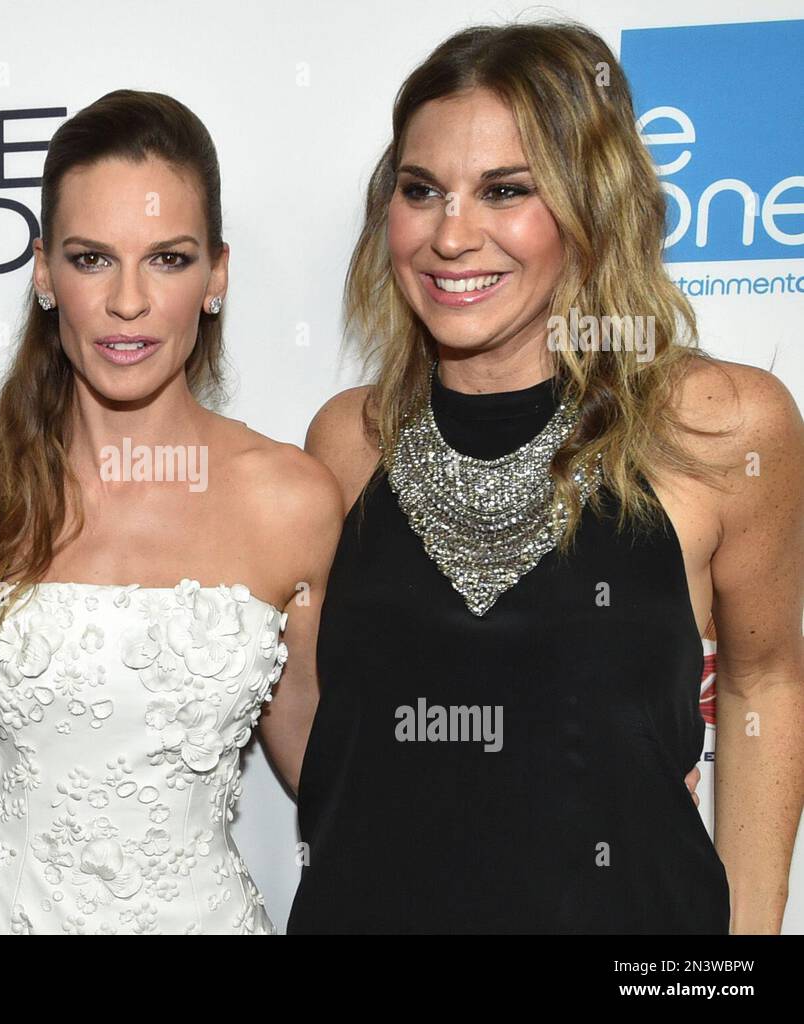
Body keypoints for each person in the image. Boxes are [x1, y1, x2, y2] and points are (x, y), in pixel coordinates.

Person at [290, 21, 803, 933]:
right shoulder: (346, 441)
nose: (452, 235)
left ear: (591, 206)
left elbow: (766, 682)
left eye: (506, 191)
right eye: (422, 190)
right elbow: (337, 733)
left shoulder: (721, 426)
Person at [0, 89, 344, 934]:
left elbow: (321, 758)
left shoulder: (291, 501)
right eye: (92, 258)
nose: (129, 302)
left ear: (217, 273)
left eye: (169, 259)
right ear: (43, 271)